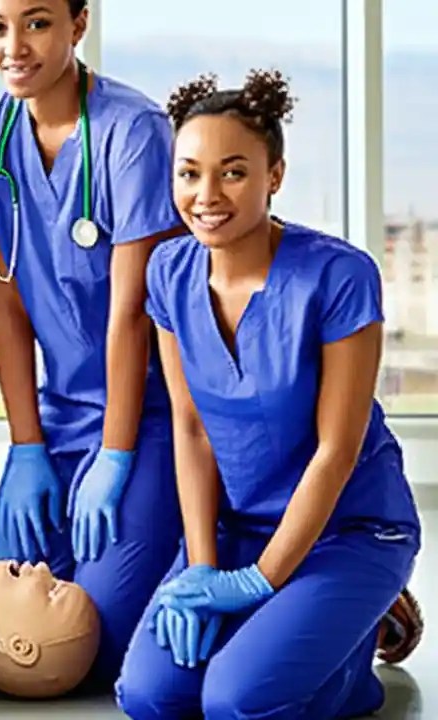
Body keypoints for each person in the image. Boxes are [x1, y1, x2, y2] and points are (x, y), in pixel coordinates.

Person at [115, 69, 423, 720]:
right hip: (237, 530)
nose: (206, 195)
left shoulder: (338, 276)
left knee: (236, 701)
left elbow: (337, 452)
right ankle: (314, 622)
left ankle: (358, 642)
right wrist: (202, 568)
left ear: (274, 176)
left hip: (349, 529)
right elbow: (191, 430)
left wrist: (260, 582)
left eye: (233, 172)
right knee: (150, 697)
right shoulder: (168, 273)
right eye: (188, 173)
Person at [0, 0, 187, 686]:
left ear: (78, 25)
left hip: (147, 418)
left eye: (37, 23)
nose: (14, 45)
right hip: (57, 419)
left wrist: (114, 453)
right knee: (11, 635)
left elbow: (130, 315)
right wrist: (26, 444)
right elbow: (5, 305)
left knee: (94, 646)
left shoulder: (132, 132)